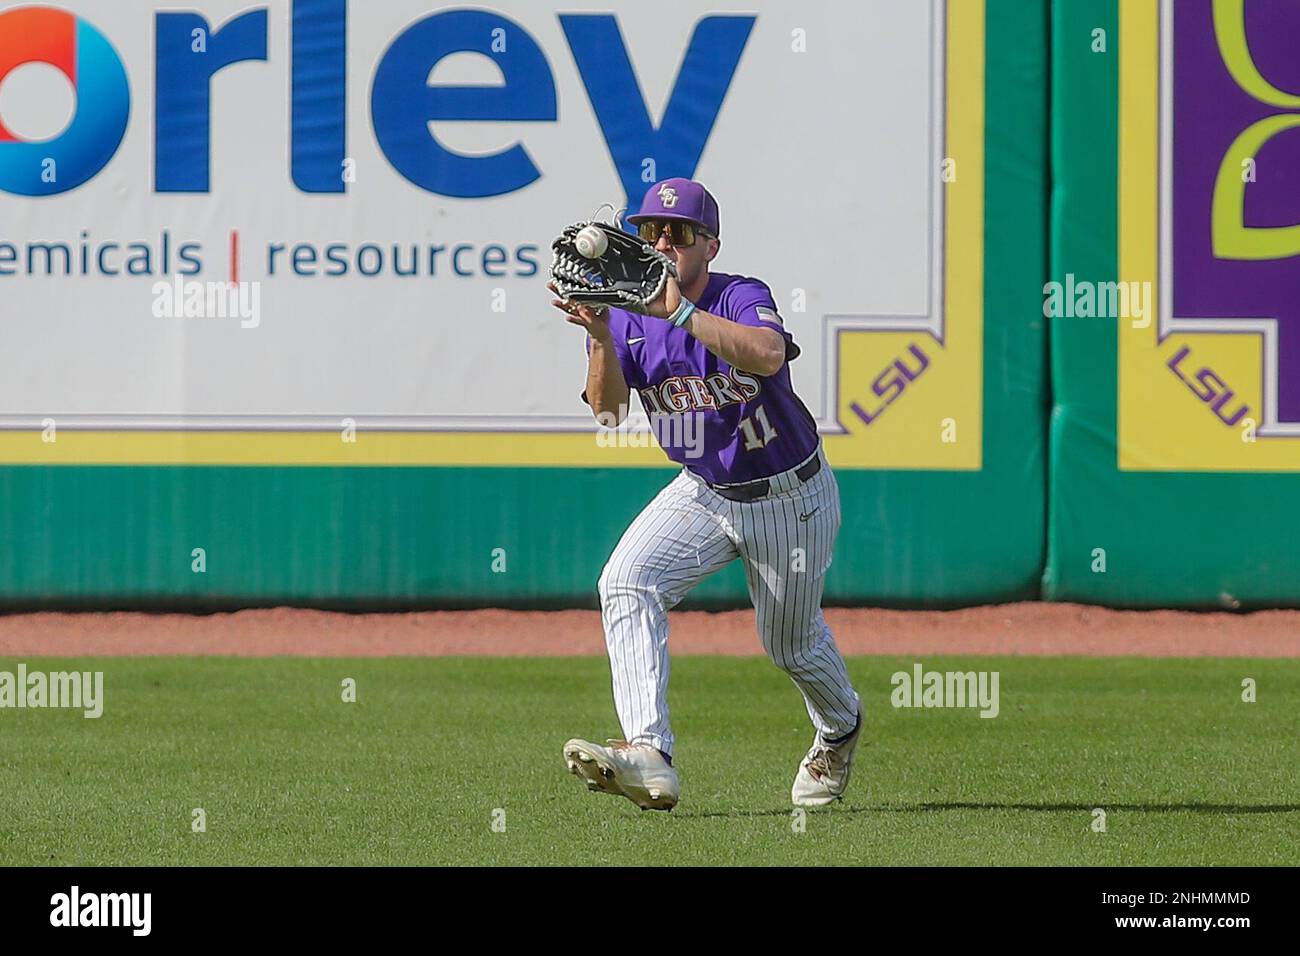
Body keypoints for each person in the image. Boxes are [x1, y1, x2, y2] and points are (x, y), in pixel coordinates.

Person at [549, 178, 861, 811]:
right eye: (650, 231)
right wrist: (603, 336)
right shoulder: (624, 315)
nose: (662, 242)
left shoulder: (739, 295)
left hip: (788, 497)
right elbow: (607, 414)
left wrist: (681, 313)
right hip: (704, 490)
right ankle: (649, 753)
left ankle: (839, 728)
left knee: (790, 646)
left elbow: (769, 355)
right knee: (626, 581)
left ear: (709, 245)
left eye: (679, 233)